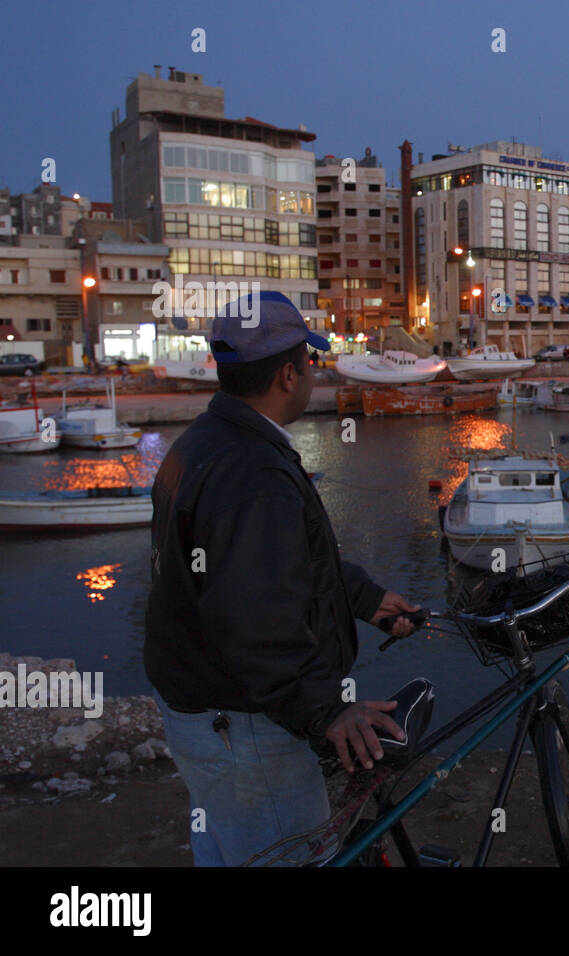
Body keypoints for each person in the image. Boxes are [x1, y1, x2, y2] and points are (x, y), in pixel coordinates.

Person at [144, 290, 422, 867]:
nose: (314, 373)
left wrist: (364, 599)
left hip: (207, 715)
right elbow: (252, 617)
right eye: (311, 362)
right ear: (290, 374)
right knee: (288, 855)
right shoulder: (253, 471)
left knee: (230, 850)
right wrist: (326, 711)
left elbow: (276, 564)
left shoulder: (206, 442)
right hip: (242, 726)